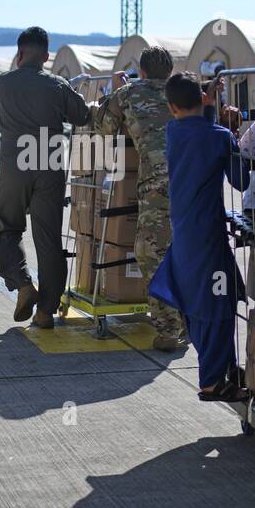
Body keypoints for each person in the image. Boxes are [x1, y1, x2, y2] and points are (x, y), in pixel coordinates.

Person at [149, 74, 250, 391]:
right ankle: (211, 380)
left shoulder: (173, 131)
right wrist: (235, 140)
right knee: (216, 305)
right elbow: (242, 181)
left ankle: (225, 369)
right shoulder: (219, 137)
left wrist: (207, 104)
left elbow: (195, 128)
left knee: (200, 300)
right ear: (201, 100)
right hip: (207, 235)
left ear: (171, 107)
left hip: (185, 233)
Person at [89, 45, 188, 351]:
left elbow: (102, 129)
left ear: (142, 71)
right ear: (169, 71)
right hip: (198, 183)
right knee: (187, 253)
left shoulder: (130, 93)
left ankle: (170, 328)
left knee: (151, 254)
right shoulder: (184, 90)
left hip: (159, 186)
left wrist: (117, 90)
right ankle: (192, 320)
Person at [0, 26, 91, 328]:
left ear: (19, 53)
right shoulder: (57, 85)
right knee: (48, 240)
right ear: (47, 57)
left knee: (8, 229)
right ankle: (46, 311)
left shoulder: (2, 83)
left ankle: (23, 284)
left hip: (14, 165)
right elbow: (82, 116)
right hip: (49, 162)